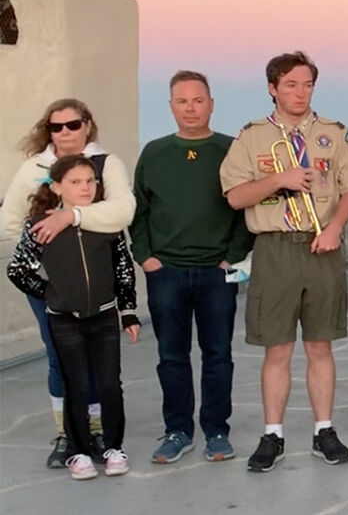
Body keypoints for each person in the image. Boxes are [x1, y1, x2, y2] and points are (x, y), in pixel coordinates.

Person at [219, 51, 348, 472]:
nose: (300, 93)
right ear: (272, 88)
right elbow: (234, 197)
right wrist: (278, 180)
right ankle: (273, 435)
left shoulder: (333, 133)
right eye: (290, 85)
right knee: (277, 348)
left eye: (306, 85)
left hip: (322, 245)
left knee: (320, 344)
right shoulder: (251, 137)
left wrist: (336, 227)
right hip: (276, 248)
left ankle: (324, 430)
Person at [1, 98, 135, 468]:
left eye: (72, 125)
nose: (64, 133)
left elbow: (123, 212)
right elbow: (12, 222)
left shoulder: (107, 164)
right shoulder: (33, 168)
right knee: (62, 361)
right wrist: (48, 271)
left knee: (99, 365)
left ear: (87, 126)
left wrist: (72, 216)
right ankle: (68, 434)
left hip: (98, 287)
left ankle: (95, 431)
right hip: (55, 290)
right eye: (56, 127)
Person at [131, 71, 255, 464]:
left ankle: (217, 430)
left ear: (211, 104)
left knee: (218, 355)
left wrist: (232, 256)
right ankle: (178, 431)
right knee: (171, 356)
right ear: (170, 106)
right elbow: (140, 210)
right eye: (181, 101)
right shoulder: (154, 152)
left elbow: (246, 206)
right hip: (165, 271)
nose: (190, 108)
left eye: (198, 100)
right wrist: (145, 257)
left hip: (216, 273)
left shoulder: (230, 149)